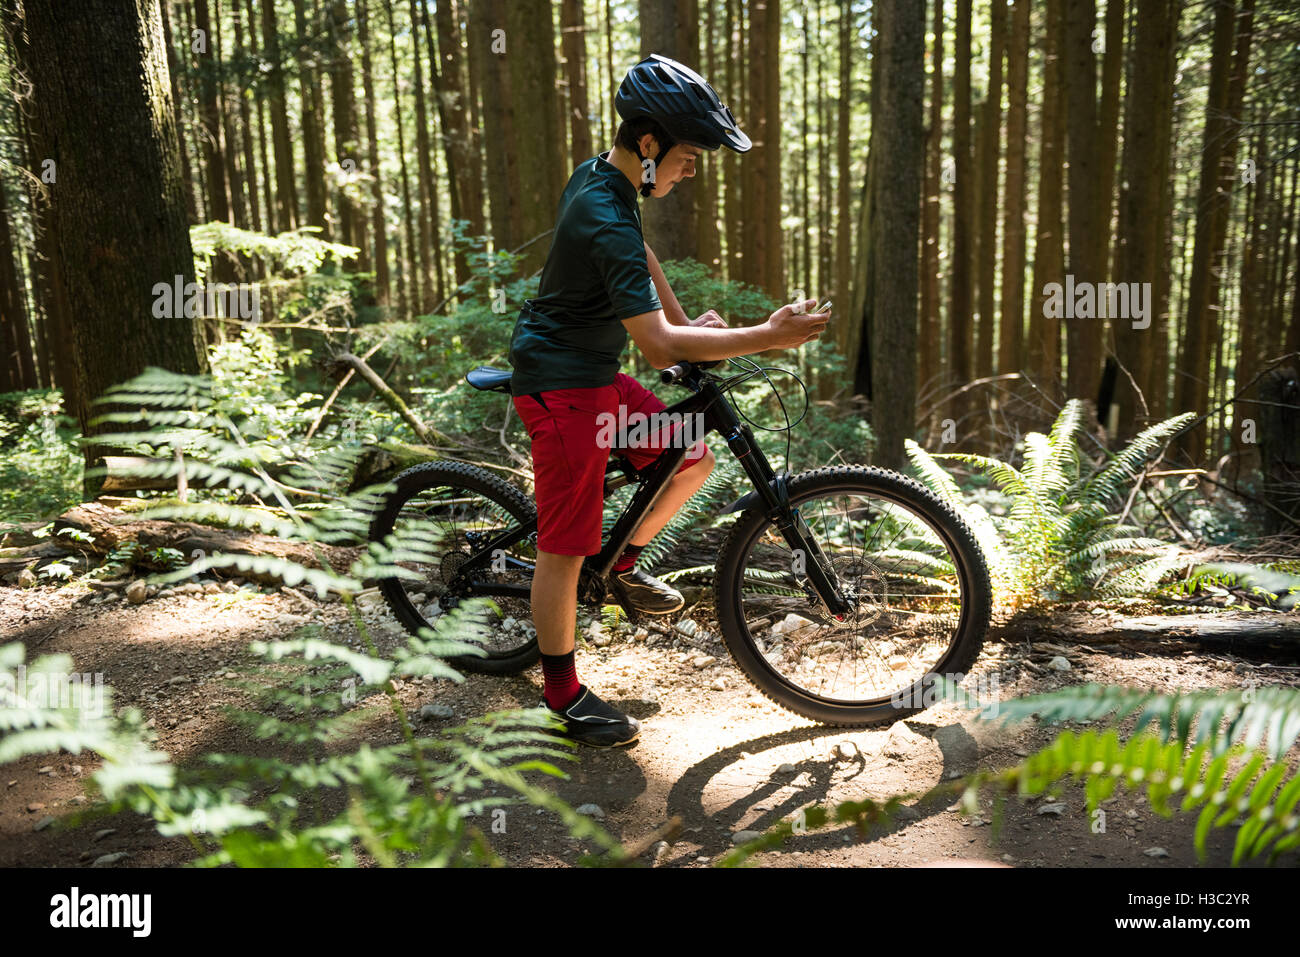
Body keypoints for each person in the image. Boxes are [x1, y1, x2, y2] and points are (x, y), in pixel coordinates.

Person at [507, 54, 829, 747]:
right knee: (566, 544)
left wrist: (690, 327)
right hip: (561, 384)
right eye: (689, 157)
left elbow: (642, 264)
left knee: (689, 455)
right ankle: (562, 693)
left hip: (591, 374)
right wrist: (765, 337)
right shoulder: (603, 206)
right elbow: (655, 347)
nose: (692, 171)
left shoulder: (611, 183)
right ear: (649, 144)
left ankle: (617, 568)